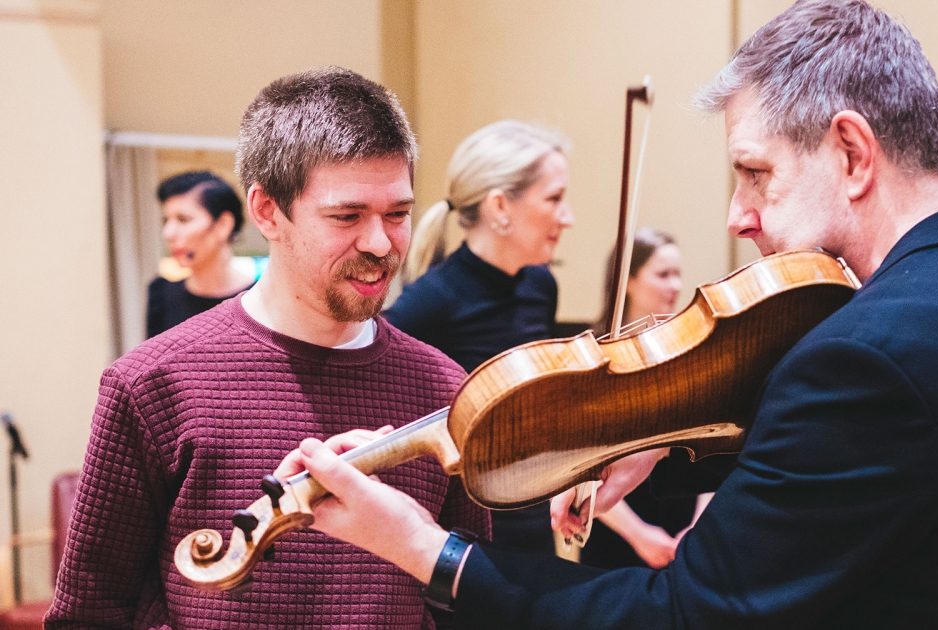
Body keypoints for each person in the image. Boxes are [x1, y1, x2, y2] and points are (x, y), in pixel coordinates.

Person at [274, 2, 938, 628]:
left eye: (754, 172)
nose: (740, 215)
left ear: (852, 154)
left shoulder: (874, 352)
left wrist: (427, 550)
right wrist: (663, 448)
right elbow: (888, 483)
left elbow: (683, 615)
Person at [47, 67, 488, 629]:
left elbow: (468, 604)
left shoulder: (445, 390)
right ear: (266, 211)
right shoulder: (150, 384)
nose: (380, 243)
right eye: (346, 216)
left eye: (397, 214)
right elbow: (90, 613)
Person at [383, 120, 573, 554]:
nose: (568, 217)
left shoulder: (540, 286)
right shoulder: (431, 301)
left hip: (532, 514)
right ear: (501, 206)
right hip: (462, 530)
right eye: (555, 199)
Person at [584, 227, 707, 569]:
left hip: (684, 536)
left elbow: (712, 448)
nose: (676, 286)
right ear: (629, 280)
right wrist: (639, 535)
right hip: (616, 538)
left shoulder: (691, 354)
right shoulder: (596, 358)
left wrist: (698, 529)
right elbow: (582, 469)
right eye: (663, 274)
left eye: (678, 274)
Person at [147, 171, 256, 338]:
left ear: (223, 225)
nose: (168, 233)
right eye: (166, 221)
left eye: (183, 219)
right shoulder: (161, 296)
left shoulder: (258, 301)